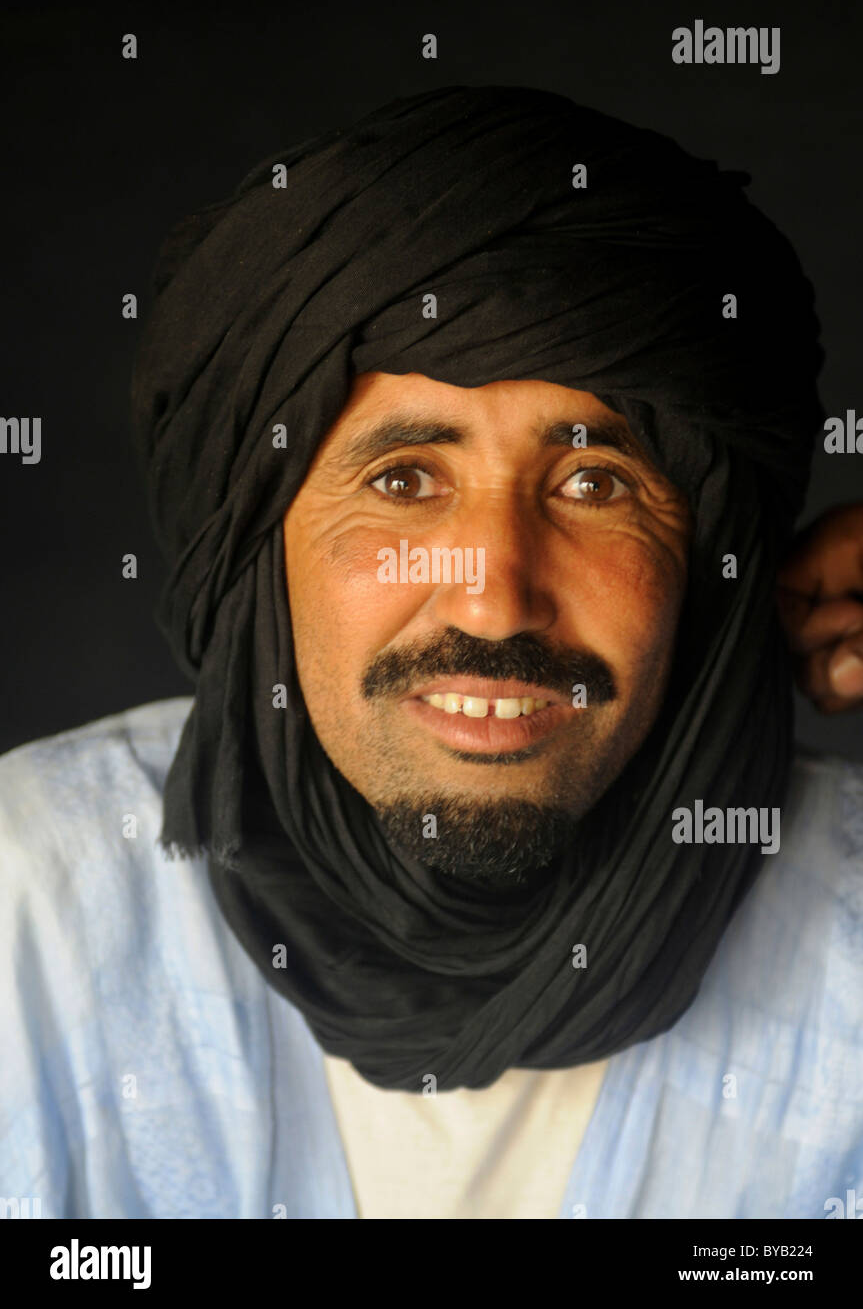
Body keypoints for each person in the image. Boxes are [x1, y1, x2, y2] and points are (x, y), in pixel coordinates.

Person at [1, 86, 861, 1221]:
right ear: (261, 539)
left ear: (708, 551)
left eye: (592, 483)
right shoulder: (35, 911)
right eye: (404, 481)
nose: (496, 601)